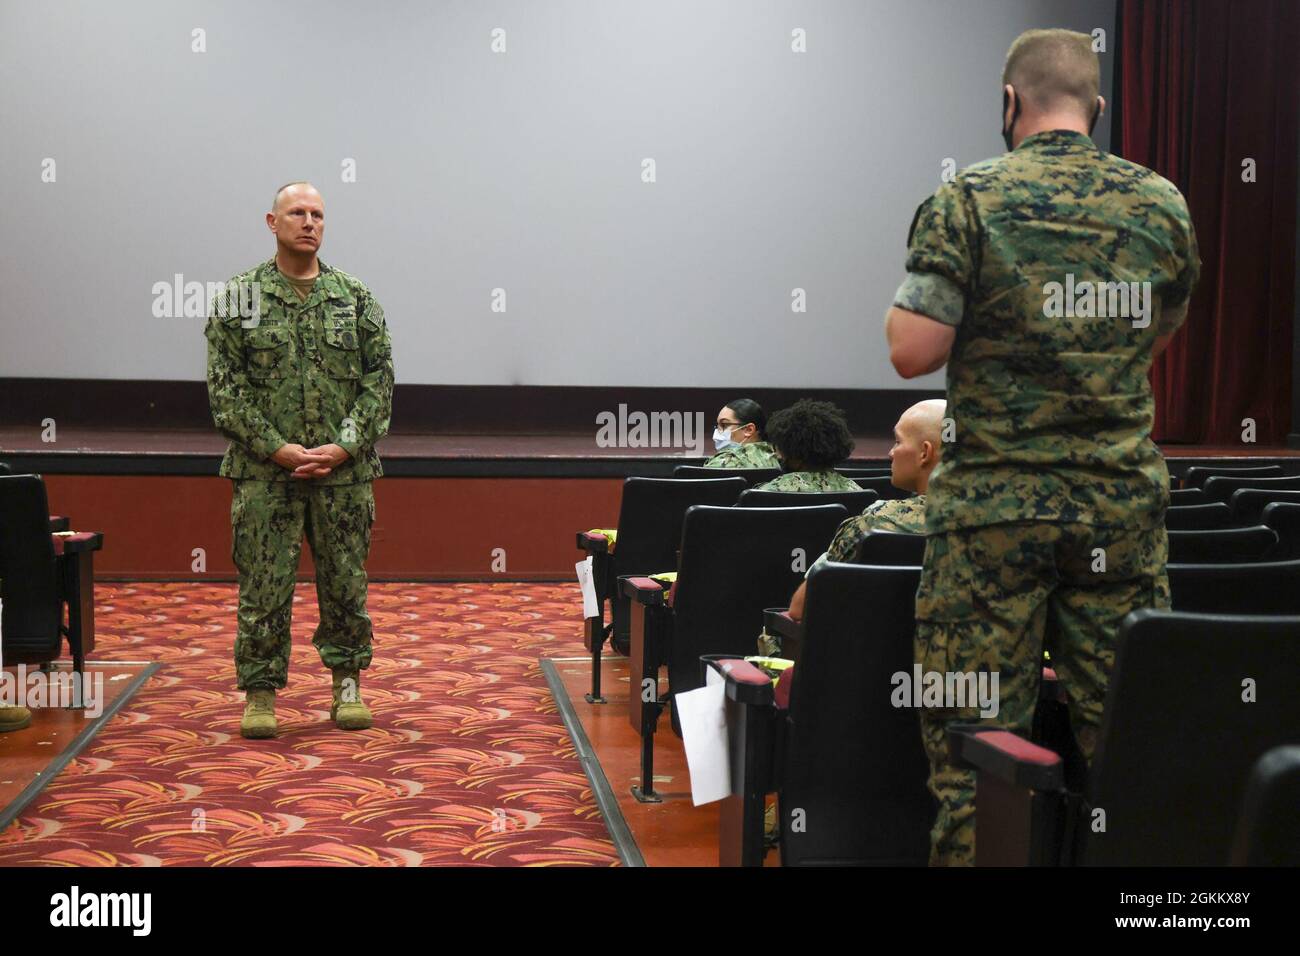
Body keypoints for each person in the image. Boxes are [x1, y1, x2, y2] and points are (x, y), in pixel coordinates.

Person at [885, 29, 1200, 865]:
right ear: (1095, 110)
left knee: (976, 755)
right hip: (1119, 517)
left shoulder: (969, 200)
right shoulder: (1160, 203)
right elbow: (1156, 331)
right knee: (1137, 750)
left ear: (1008, 103)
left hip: (992, 523)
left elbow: (912, 350)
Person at [205, 181, 395, 740]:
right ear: (272, 222)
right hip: (267, 475)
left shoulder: (355, 297)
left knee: (345, 585)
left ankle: (348, 684)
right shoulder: (239, 298)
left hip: (344, 476)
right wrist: (277, 448)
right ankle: (260, 694)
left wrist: (345, 445)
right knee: (264, 586)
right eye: (296, 213)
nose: (308, 222)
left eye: (317, 214)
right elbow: (225, 391)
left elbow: (379, 381)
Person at [785, 399, 945, 622]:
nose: (890, 452)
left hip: (873, 654)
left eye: (898, 441)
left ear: (924, 453)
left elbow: (799, 609)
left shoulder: (876, 524)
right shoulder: (999, 523)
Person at [752, 399, 860, 492]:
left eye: (781, 449)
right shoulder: (857, 492)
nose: (778, 456)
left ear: (796, 456)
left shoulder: (766, 493)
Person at [705, 398, 779, 468]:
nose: (717, 432)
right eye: (718, 426)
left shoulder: (726, 461)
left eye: (724, 424)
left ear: (749, 430)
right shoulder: (778, 459)